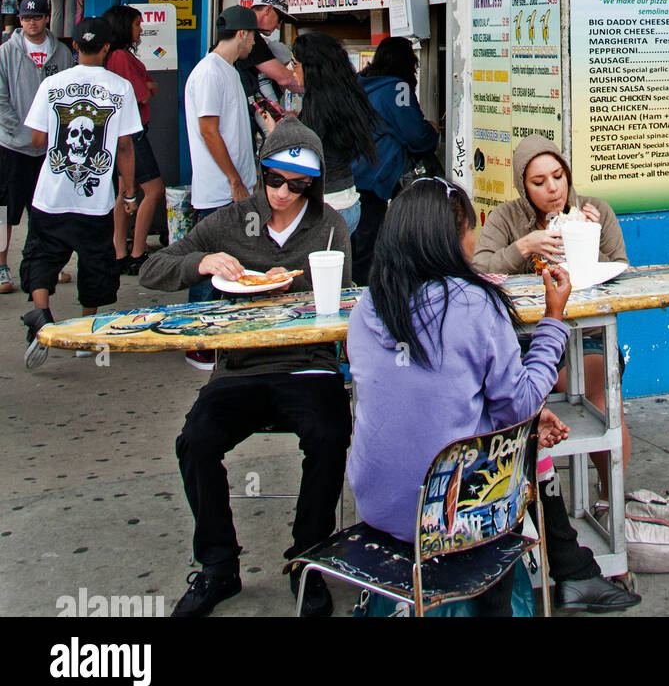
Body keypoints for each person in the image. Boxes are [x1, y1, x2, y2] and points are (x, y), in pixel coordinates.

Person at [346, 178, 640, 614]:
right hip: (458, 515)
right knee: (524, 441)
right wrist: (553, 318)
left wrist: (524, 418)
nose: (474, 239)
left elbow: (426, 395)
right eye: (470, 228)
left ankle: (572, 568)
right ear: (451, 238)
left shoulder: (365, 308)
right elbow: (519, 404)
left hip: (380, 506)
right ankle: (568, 571)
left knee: (523, 432)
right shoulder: (473, 302)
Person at [141, 119, 353, 619]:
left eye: (297, 185)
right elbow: (153, 269)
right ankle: (218, 565)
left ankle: (308, 556)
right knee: (195, 441)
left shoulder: (330, 226)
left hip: (307, 362)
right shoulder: (231, 221)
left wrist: (296, 289)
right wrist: (202, 262)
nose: (283, 193)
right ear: (262, 173)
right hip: (239, 365)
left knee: (330, 433)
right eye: (274, 179)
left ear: (313, 185)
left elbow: (342, 301)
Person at [474, 134, 632, 503]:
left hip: (586, 332)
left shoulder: (595, 210)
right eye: (539, 182)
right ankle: (527, 498)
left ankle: (611, 498)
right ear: (523, 186)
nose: (553, 189)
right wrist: (523, 246)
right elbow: (479, 269)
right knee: (525, 394)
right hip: (524, 338)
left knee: (602, 398)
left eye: (558, 177)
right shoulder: (506, 218)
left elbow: (620, 269)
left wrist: (591, 240)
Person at [19, 17, 140, 369]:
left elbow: (37, 140)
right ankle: (87, 333)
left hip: (51, 196)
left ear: (75, 46)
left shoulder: (52, 84)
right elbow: (125, 146)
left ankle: (41, 316)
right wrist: (129, 193)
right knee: (95, 263)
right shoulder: (120, 88)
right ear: (107, 48)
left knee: (41, 256)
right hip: (94, 200)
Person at [182, 5, 260, 369]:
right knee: (209, 266)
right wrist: (234, 180)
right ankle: (197, 343)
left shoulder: (228, 71)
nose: (254, 44)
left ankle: (217, 338)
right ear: (242, 34)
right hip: (219, 191)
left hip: (235, 189)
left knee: (229, 267)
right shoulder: (209, 72)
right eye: (254, 36)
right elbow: (209, 130)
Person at [350, 36, 439, 284]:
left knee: (359, 247)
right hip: (375, 178)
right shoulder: (396, 88)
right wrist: (432, 131)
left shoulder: (359, 84)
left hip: (352, 177)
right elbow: (416, 135)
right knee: (369, 250)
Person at [0, 0, 73, 295]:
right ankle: (1, 267)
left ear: (46, 18)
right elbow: (1, 98)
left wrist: (54, 134)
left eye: (38, 17)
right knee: (4, 211)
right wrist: (21, 131)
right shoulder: (6, 52)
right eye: (27, 18)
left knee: (47, 208)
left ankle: (48, 265)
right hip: (11, 146)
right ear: (20, 20)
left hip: (49, 148)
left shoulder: (62, 53)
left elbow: (68, 95)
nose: (32, 22)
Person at [280, 31, 378, 240]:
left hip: (324, 206)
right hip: (347, 200)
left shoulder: (317, 106)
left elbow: (301, 159)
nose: (291, 69)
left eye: (294, 63)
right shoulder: (343, 98)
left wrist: (276, 133)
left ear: (312, 67)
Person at [102, 4, 164, 274]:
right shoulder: (120, 57)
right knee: (153, 190)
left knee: (124, 190)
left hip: (126, 132)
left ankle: (119, 251)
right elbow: (143, 94)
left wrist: (148, 86)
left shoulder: (119, 55)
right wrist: (148, 86)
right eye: (137, 24)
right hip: (132, 133)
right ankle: (137, 252)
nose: (140, 29)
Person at [236, 0, 301, 107]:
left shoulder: (240, 26)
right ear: (268, 10)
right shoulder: (250, 35)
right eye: (279, 20)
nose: (278, 27)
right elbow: (285, 78)